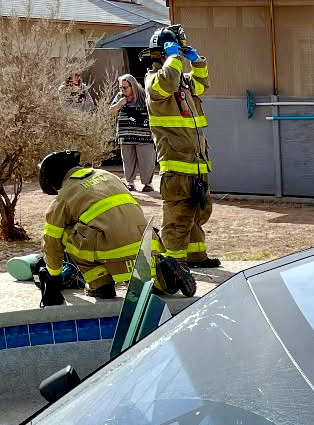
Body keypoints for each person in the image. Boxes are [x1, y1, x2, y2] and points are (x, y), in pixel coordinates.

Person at [144, 24, 220, 279]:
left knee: (198, 212)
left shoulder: (183, 84)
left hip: (197, 163)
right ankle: (173, 269)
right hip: (176, 165)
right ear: (163, 54)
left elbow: (201, 84)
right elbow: (165, 82)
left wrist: (197, 62)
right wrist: (174, 58)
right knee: (177, 219)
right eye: (177, 49)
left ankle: (196, 255)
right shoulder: (153, 81)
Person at [36, 149, 148, 306]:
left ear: (53, 177)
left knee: (64, 234)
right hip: (145, 244)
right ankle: (165, 272)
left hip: (112, 250)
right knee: (151, 278)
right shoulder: (109, 176)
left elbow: (51, 242)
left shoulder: (64, 195)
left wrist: (54, 275)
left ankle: (100, 283)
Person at [110, 74, 156, 193]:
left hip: (144, 135)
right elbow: (111, 111)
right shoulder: (120, 96)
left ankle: (147, 183)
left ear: (133, 86)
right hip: (126, 135)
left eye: (125, 88)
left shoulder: (143, 95)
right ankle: (130, 182)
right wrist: (120, 104)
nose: (122, 90)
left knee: (147, 160)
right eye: (121, 88)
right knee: (128, 160)